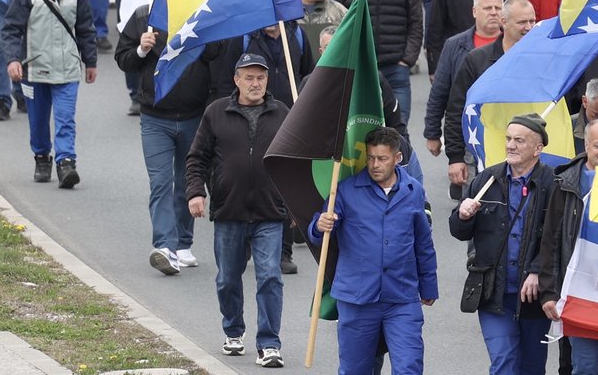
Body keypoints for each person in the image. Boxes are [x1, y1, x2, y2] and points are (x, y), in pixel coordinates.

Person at [186, 53, 288, 367]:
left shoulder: (283, 113)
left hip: (269, 212)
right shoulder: (216, 112)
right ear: (236, 80)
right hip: (228, 211)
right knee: (228, 278)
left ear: (267, 80)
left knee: (270, 276)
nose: (255, 83)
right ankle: (233, 330)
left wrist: (298, 205)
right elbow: (196, 159)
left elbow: (296, 163)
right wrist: (195, 192)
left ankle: (269, 344)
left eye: (260, 77)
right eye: (249, 77)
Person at [309, 126, 437, 375]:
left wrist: (428, 285)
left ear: (397, 158)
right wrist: (319, 225)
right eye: (370, 158)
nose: (375, 164)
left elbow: (423, 244)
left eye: (382, 158)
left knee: (409, 366)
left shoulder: (414, 192)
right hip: (357, 298)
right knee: (355, 370)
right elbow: (320, 228)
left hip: (401, 297)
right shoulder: (346, 190)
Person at [450, 115, 555, 375]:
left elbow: (558, 238)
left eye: (519, 140)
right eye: (508, 139)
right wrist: (462, 216)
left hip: (534, 298)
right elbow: (459, 231)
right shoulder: (487, 179)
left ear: (538, 148)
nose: (511, 145)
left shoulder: (552, 184)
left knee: (532, 368)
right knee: (504, 363)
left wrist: (536, 270)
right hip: (492, 293)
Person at [116, 3, 212, 275]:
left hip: (194, 116)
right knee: (161, 182)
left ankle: (183, 243)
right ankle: (164, 246)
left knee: (187, 180)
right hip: (155, 117)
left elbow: (218, 58)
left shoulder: (202, 11)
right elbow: (123, 59)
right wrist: (141, 49)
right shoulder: (145, 15)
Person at [537, 119, 598, 375]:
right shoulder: (565, 183)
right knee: (585, 367)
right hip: (581, 292)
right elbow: (551, 241)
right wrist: (549, 292)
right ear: (586, 144)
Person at [2, 0, 98, 188]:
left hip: (67, 70)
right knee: (38, 121)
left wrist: (90, 62)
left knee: (65, 119)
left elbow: (86, 29)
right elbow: (11, 29)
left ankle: (66, 163)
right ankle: (42, 157)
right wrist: (13, 59)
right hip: (34, 71)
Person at [330, 0, 424, 128]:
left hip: (395, 68)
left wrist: (407, 58)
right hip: (360, 67)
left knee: (397, 128)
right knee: (361, 128)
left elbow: (416, 20)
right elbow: (333, 19)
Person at [443, 0, 537, 188]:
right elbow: (456, 109)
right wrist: (455, 157)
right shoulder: (477, 61)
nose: (529, 27)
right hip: (483, 156)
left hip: (531, 158)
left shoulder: (543, 61)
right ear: (504, 22)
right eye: (522, 22)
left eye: (532, 21)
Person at [425, 0, 503, 166]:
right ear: (474, 11)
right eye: (487, 8)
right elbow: (440, 91)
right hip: (468, 133)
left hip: (502, 134)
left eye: (498, 8)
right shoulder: (455, 45)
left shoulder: (514, 46)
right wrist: (433, 133)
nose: (493, 13)